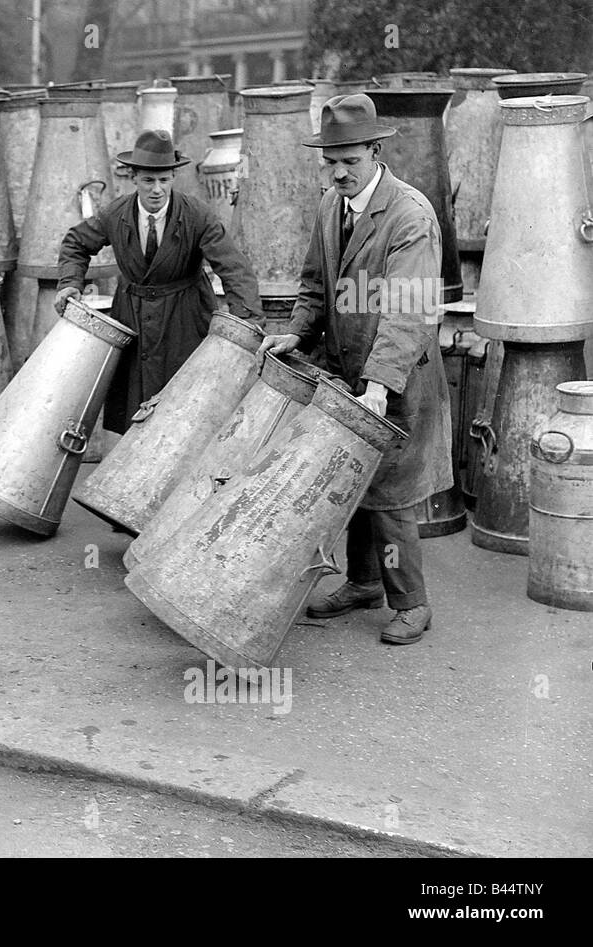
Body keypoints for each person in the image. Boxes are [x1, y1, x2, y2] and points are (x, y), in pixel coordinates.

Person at [257, 93, 453, 645]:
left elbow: (407, 309)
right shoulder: (329, 206)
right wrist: (298, 330)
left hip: (399, 375)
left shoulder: (410, 216)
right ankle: (364, 582)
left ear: (374, 150)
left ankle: (412, 603)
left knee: (390, 493)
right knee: (353, 480)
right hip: (347, 369)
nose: (339, 171)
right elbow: (316, 284)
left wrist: (378, 384)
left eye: (350, 160)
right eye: (331, 161)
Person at [54, 129, 261, 433]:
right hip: (133, 317)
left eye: (164, 180)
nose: (156, 190)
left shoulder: (197, 215)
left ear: (173, 179)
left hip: (185, 317)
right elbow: (76, 242)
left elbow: (233, 268)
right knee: (132, 407)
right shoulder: (115, 213)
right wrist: (70, 282)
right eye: (148, 181)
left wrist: (248, 324)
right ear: (133, 177)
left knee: (186, 408)